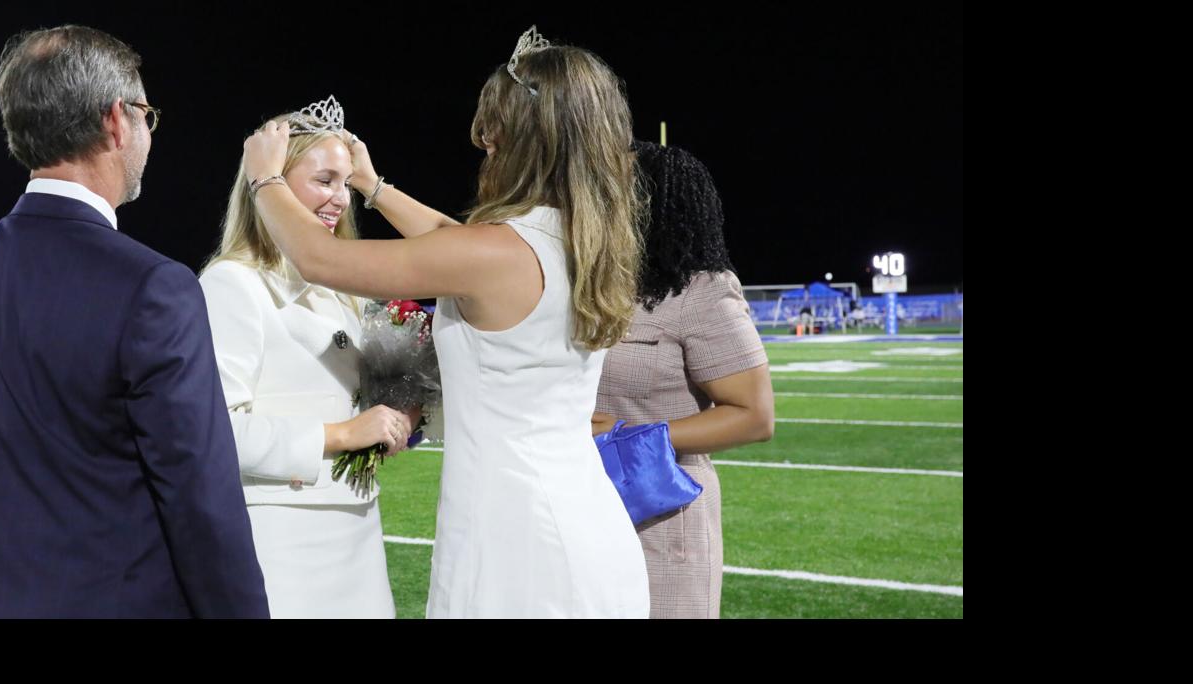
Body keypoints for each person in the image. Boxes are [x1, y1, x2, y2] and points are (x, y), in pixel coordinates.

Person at [240, 27, 647, 618]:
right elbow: (449, 239)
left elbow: (320, 259)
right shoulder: (577, 239)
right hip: (585, 519)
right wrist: (372, 186)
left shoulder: (497, 252)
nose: (487, 152)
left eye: (495, 140)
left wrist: (264, 178)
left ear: (526, 143)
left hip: (517, 536)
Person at [0, 24, 268, 618]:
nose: (149, 135)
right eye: (147, 116)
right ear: (116, 120)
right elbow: (200, 499)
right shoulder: (153, 286)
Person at [198, 98, 414, 618]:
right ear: (270, 182)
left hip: (358, 531)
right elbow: (215, 430)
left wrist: (402, 417)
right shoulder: (231, 283)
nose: (340, 198)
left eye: (346, 183)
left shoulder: (346, 292)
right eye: (324, 180)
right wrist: (342, 435)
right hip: (281, 538)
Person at [592, 143, 772, 618]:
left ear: (655, 205)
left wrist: (632, 438)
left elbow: (754, 415)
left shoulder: (702, 291)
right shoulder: (590, 284)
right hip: (586, 505)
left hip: (663, 518)